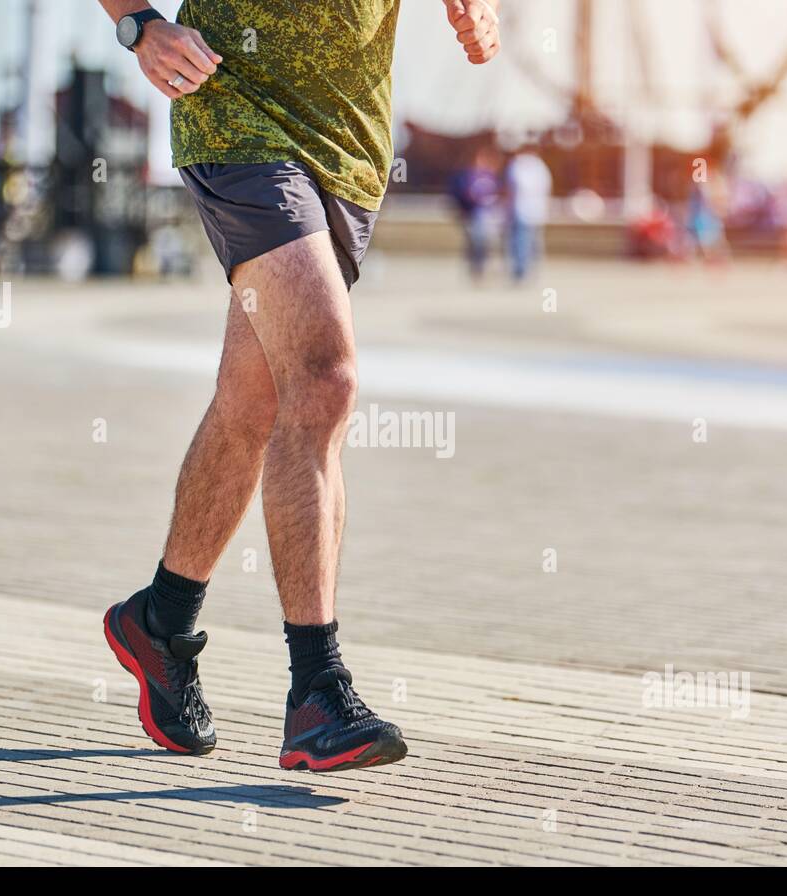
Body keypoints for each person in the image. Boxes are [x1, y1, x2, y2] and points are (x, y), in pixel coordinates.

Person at [95, 0, 503, 772]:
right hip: (239, 122)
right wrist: (139, 25)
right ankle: (317, 688)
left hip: (349, 149)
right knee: (325, 381)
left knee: (256, 402)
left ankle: (162, 620)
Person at [448, 144, 502, 279]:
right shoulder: (468, 175)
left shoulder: (490, 175)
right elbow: (462, 194)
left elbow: (497, 193)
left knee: (486, 242)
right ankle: (475, 268)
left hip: (488, 214)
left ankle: (481, 267)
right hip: (473, 213)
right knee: (475, 242)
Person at [503, 146, 552, 281]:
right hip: (537, 211)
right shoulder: (541, 167)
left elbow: (512, 190)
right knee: (534, 242)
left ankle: (521, 271)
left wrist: (507, 209)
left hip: (521, 210)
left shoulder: (517, 166)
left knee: (520, 242)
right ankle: (532, 270)